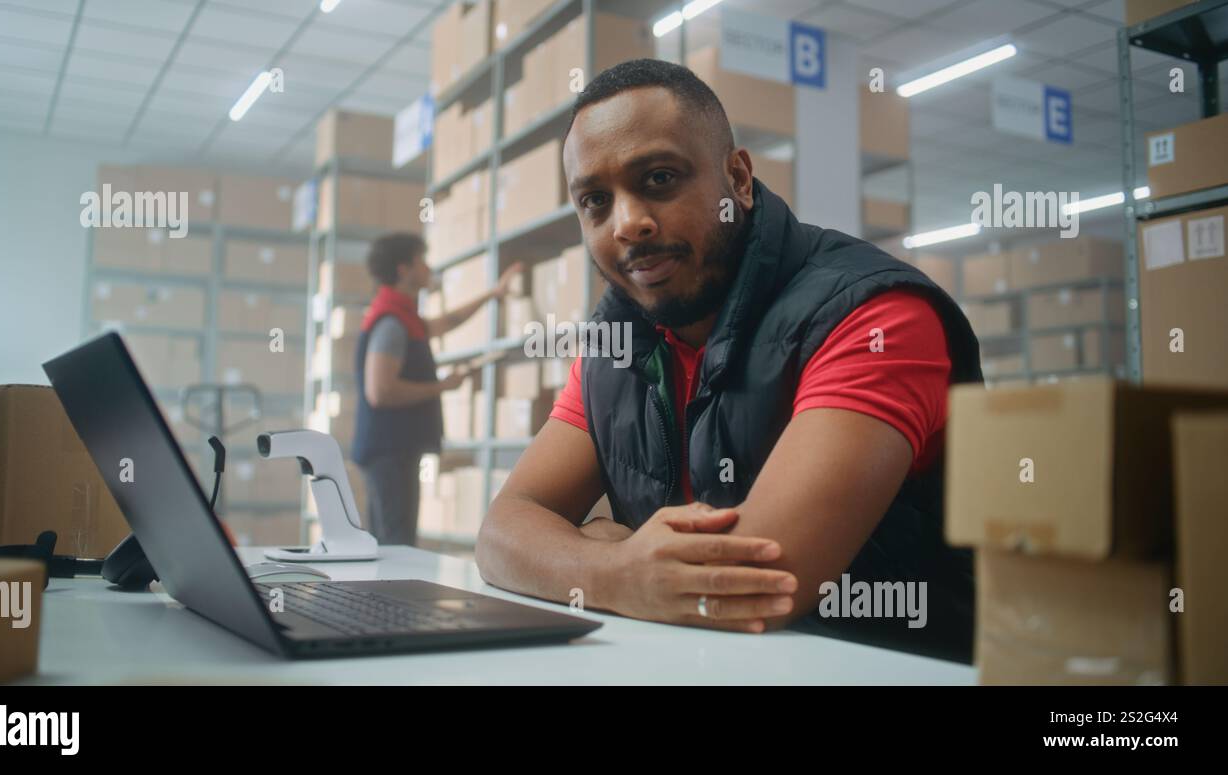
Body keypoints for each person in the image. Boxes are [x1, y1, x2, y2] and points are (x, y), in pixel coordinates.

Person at [475, 59, 984, 662]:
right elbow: (504, 530)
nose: (628, 223)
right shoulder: (616, 342)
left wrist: (592, 550)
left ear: (739, 179)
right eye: (595, 201)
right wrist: (615, 569)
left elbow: (759, 584)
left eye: (660, 178)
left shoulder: (872, 314)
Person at [351, 232, 522, 546]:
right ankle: (383, 599)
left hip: (393, 450)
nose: (428, 269)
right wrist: (443, 386)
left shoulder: (402, 316)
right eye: (422, 262)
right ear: (404, 270)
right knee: (395, 546)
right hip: (389, 452)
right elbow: (381, 391)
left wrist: (493, 294)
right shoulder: (391, 323)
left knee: (391, 543)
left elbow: (448, 321)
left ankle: (379, 597)